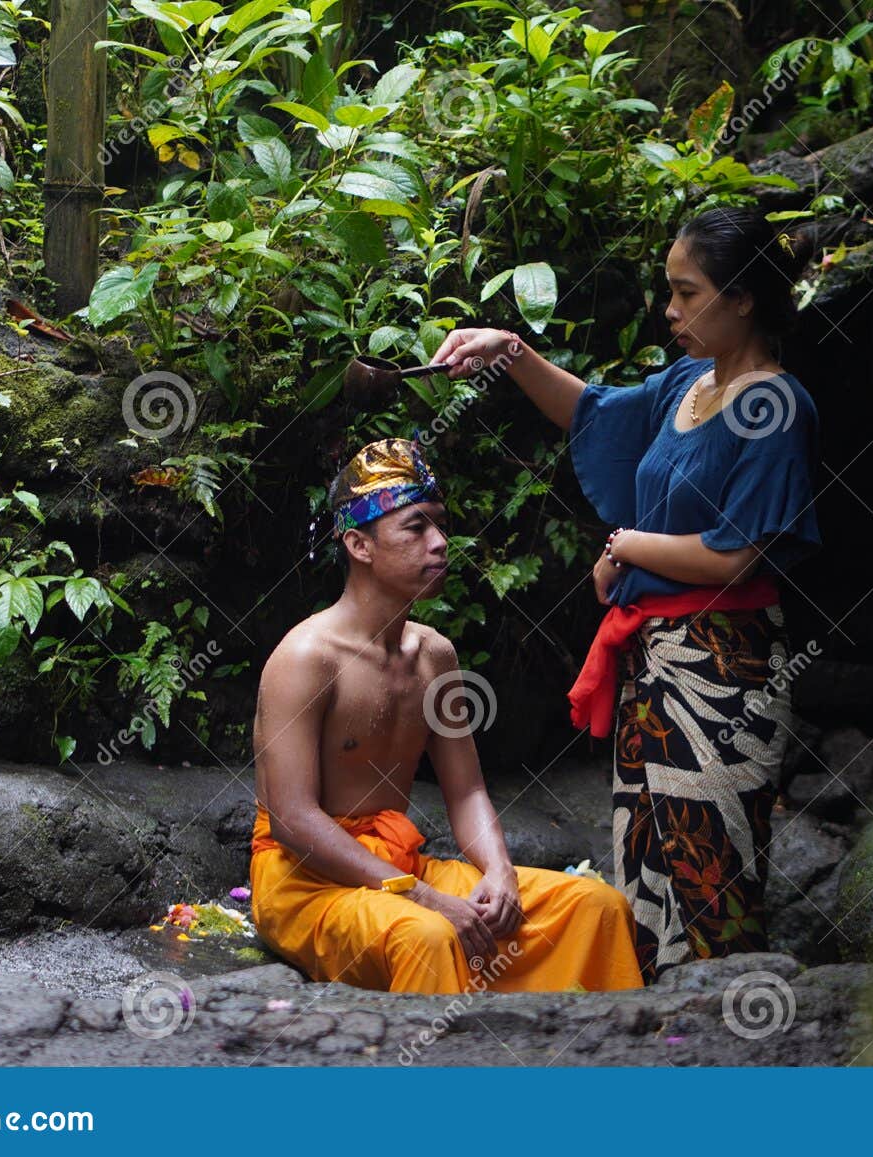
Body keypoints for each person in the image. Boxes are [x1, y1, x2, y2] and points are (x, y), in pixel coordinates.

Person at [432, 207, 821, 982]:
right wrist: (509, 350)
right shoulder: (687, 383)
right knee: (646, 857)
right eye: (669, 291)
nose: (670, 310)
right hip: (651, 658)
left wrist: (627, 546)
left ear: (744, 299)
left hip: (724, 670)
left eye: (687, 293)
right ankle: (653, 1026)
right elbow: (593, 412)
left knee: (709, 864)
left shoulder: (776, 407)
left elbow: (736, 556)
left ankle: (727, 1024)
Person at [248, 436, 643, 994]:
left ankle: (586, 1044)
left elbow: (466, 791)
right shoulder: (305, 659)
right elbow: (292, 820)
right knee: (429, 936)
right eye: (416, 528)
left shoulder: (435, 656)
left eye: (440, 524)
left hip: (400, 870)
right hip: (307, 883)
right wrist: (422, 896)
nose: (440, 543)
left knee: (595, 906)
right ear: (359, 545)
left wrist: (499, 873)